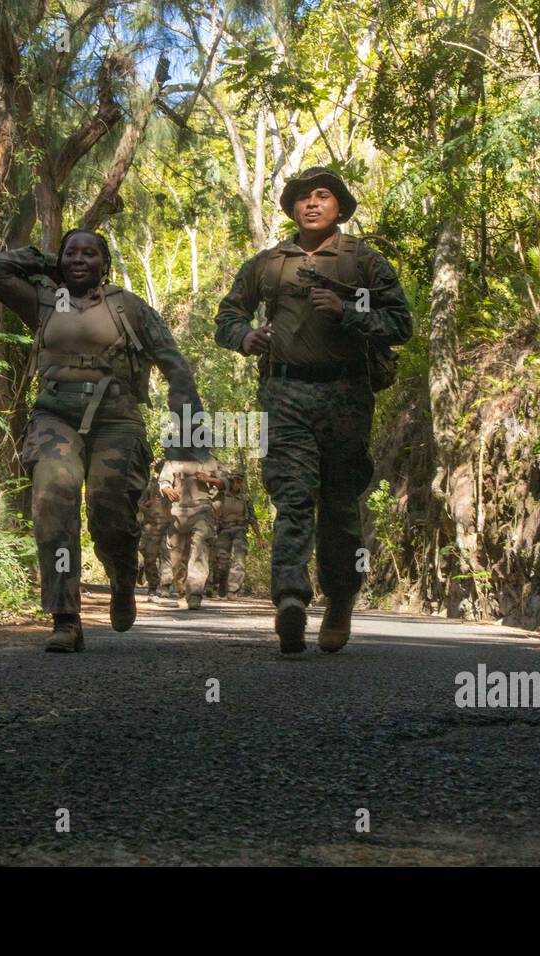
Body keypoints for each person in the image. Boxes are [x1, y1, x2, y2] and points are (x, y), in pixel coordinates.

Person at [0, 230, 207, 652]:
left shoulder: (129, 307)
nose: (79, 259)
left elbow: (173, 363)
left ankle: (122, 573)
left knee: (110, 516)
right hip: (55, 416)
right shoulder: (45, 300)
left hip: (117, 419)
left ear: (105, 263)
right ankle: (66, 619)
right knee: (53, 501)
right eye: (71, 253)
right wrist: (49, 263)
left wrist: (190, 425)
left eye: (89, 253)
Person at [213, 167, 411, 653]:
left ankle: (340, 601)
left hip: (346, 397)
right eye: (302, 197)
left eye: (323, 196)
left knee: (340, 505)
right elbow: (228, 316)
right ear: (292, 209)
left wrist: (349, 313)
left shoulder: (362, 262)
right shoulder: (268, 264)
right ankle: (290, 600)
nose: (312, 204)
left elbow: (400, 323)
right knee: (293, 497)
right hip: (284, 397)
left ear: (339, 207)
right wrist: (246, 337)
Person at [158, 453, 225, 610]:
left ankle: (194, 594)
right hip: (178, 512)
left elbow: (225, 482)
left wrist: (210, 480)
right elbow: (163, 482)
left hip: (202, 511)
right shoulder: (173, 461)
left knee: (199, 551)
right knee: (176, 557)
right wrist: (167, 490)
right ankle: (182, 591)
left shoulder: (211, 460)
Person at [210, 472, 263, 599]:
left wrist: (259, 537)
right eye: (235, 480)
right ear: (230, 481)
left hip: (240, 530)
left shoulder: (245, 499)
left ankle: (233, 589)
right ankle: (219, 586)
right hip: (224, 530)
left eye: (240, 481)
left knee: (239, 559)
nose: (237, 483)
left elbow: (252, 519)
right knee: (221, 562)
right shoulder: (221, 496)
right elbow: (211, 513)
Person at [137, 461, 172, 602]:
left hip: (170, 525)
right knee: (150, 557)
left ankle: (166, 586)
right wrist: (147, 505)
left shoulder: (174, 485)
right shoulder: (150, 486)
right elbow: (138, 505)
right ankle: (153, 585)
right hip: (152, 526)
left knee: (167, 556)